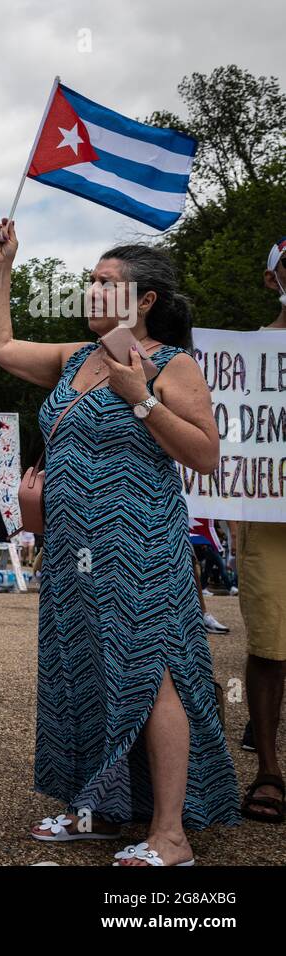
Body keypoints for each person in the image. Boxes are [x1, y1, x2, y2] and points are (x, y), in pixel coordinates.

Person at [0, 217, 240, 865]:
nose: (89, 291)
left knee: (151, 679)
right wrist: (2, 266)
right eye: (89, 281)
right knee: (82, 673)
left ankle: (171, 835)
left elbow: (206, 455)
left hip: (141, 547)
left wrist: (141, 399)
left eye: (104, 283)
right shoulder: (74, 358)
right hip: (71, 553)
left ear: (143, 301)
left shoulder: (169, 364)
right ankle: (97, 806)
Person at [233, 238, 286, 824]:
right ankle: (269, 768)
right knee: (271, 644)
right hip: (270, 517)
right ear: (272, 279)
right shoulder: (246, 355)